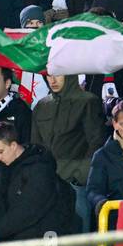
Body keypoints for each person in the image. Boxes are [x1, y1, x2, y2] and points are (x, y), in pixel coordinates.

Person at [33, 74, 106, 226]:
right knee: (50, 238)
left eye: (58, 75)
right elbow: (36, 146)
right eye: (49, 76)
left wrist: (80, 177)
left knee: (79, 233)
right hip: (48, 183)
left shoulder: (88, 101)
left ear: (70, 75)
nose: (52, 80)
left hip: (76, 186)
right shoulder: (42, 105)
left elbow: (96, 141)